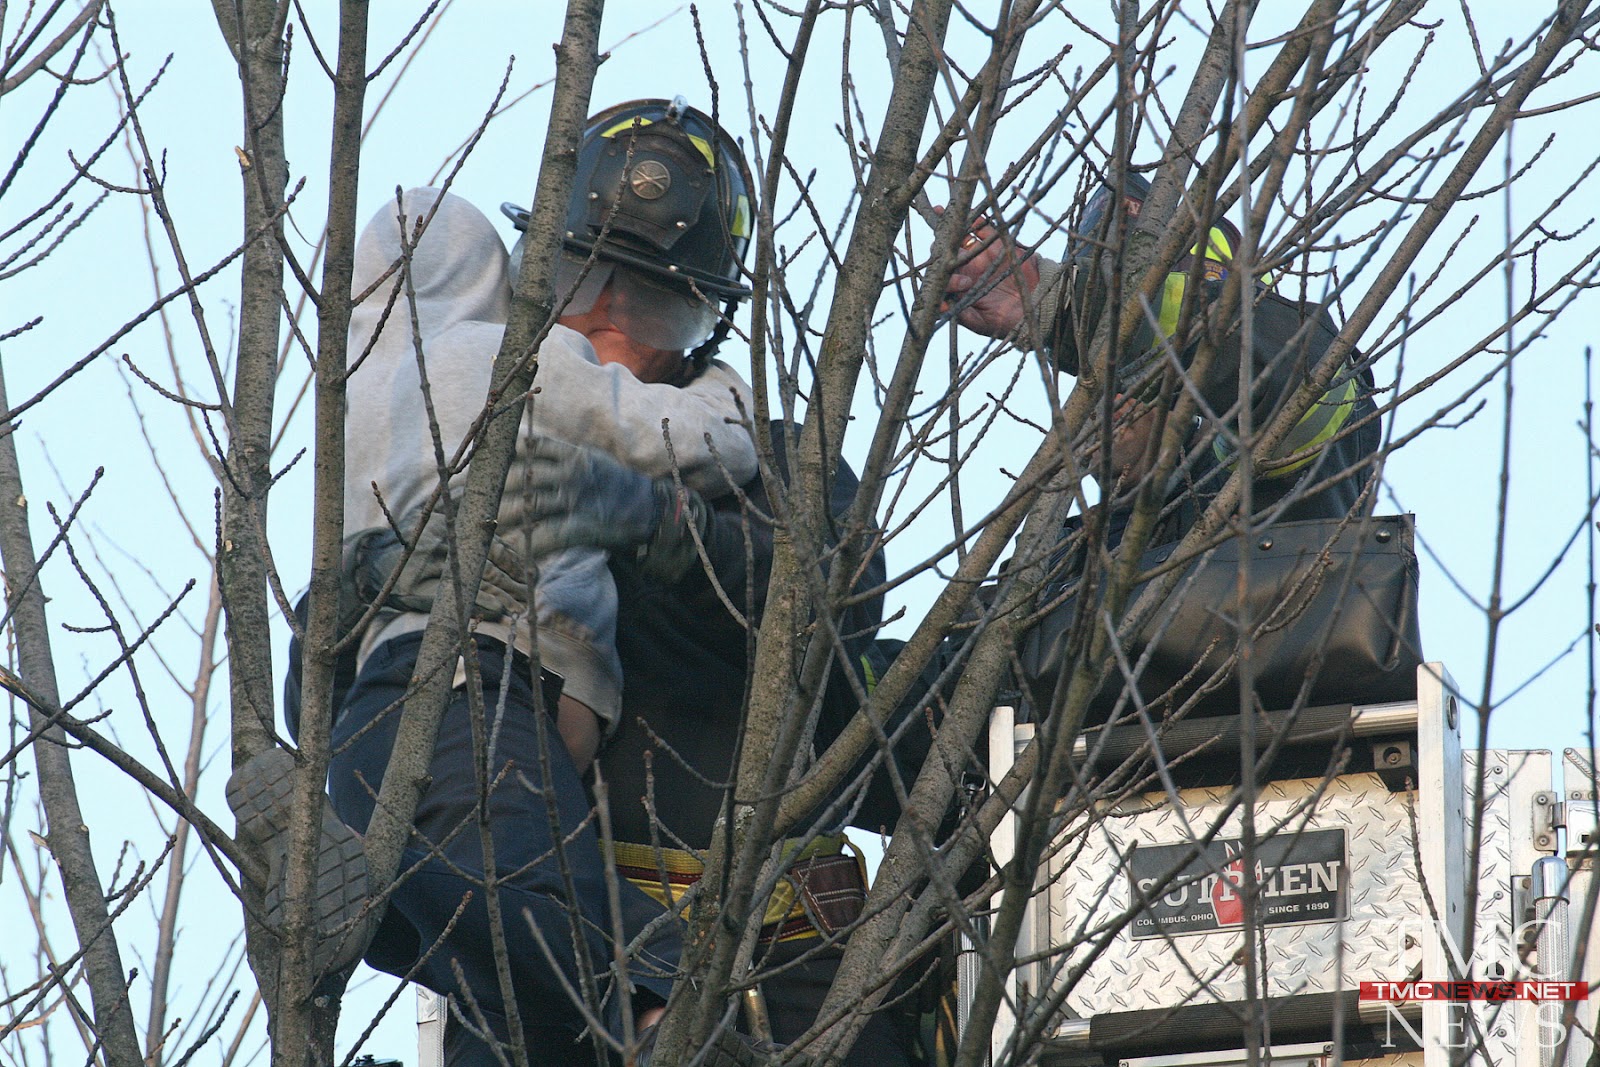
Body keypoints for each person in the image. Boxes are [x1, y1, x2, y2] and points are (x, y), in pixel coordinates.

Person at [233, 98, 782, 1067]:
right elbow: (687, 433)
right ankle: (664, 1014)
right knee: (534, 896)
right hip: (488, 708)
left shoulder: (352, 408)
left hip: (368, 738)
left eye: (652, 309)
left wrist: (649, 520)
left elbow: (822, 595)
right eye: (585, 285)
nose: (609, 325)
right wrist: (722, 408)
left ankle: (356, 891)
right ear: (514, 278)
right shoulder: (518, 360)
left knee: (450, 912)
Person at [942, 169, 1385, 716]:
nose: (1106, 392)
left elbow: (1290, 380)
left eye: (1127, 364)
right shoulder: (1059, 560)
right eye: (1094, 369)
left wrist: (1073, 307)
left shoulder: (1262, 470)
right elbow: (933, 702)